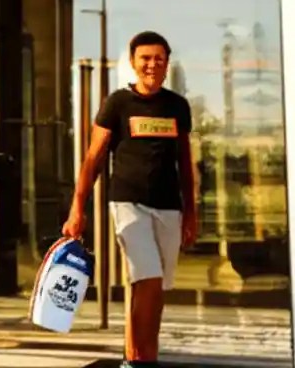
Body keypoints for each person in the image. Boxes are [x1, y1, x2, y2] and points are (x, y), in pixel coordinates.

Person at [61, 31, 197, 368]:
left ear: (167, 63)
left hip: (169, 207)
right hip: (128, 204)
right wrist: (77, 209)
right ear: (134, 62)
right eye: (145, 58)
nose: (152, 64)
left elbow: (185, 164)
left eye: (159, 59)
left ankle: (138, 357)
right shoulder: (117, 103)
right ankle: (140, 360)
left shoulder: (177, 106)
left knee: (154, 288)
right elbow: (92, 159)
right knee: (146, 278)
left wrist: (191, 214)